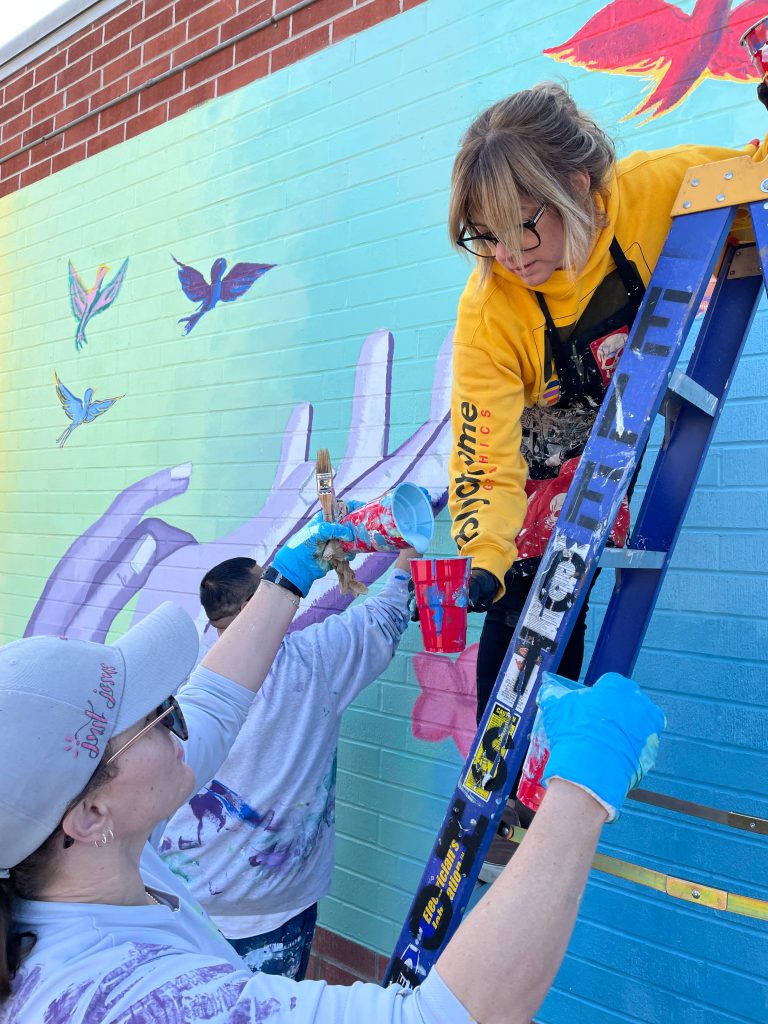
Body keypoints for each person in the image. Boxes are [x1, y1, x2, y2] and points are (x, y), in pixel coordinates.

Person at [0, 491, 665, 1024]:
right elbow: (457, 1016)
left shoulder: (76, 861)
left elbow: (218, 700)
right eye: (159, 717)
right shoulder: (122, 1001)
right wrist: (583, 784)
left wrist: (292, 574)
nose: (182, 725)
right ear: (88, 814)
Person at [446, 81, 768, 872]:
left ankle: (551, 777)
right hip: (538, 443)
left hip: (610, 430)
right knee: (533, 591)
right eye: (487, 237)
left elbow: (752, 174)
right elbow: (482, 448)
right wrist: (485, 554)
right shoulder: (490, 309)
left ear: (579, 187)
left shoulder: (655, 190)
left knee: (583, 581)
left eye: (526, 226)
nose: (513, 256)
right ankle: (500, 794)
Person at [160, 546, 416, 980]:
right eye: (272, 589)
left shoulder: (186, 676)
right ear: (252, 607)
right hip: (271, 907)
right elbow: (386, 614)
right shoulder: (311, 660)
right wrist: (409, 547)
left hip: (182, 897)